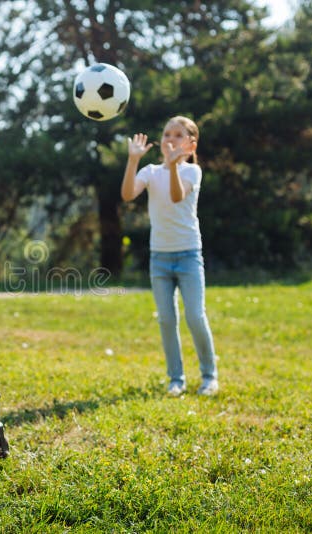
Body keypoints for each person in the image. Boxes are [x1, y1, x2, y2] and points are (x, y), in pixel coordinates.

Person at [120, 116, 219, 397]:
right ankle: (176, 379)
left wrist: (175, 166)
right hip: (159, 258)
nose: (170, 140)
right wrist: (132, 160)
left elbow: (177, 197)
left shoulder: (191, 172)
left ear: (190, 144)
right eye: (166, 134)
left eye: (178, 135)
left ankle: (209, 376)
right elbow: (128, 194)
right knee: (166, 319)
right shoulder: (150, 171)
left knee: (195, 317)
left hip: (188, 255)